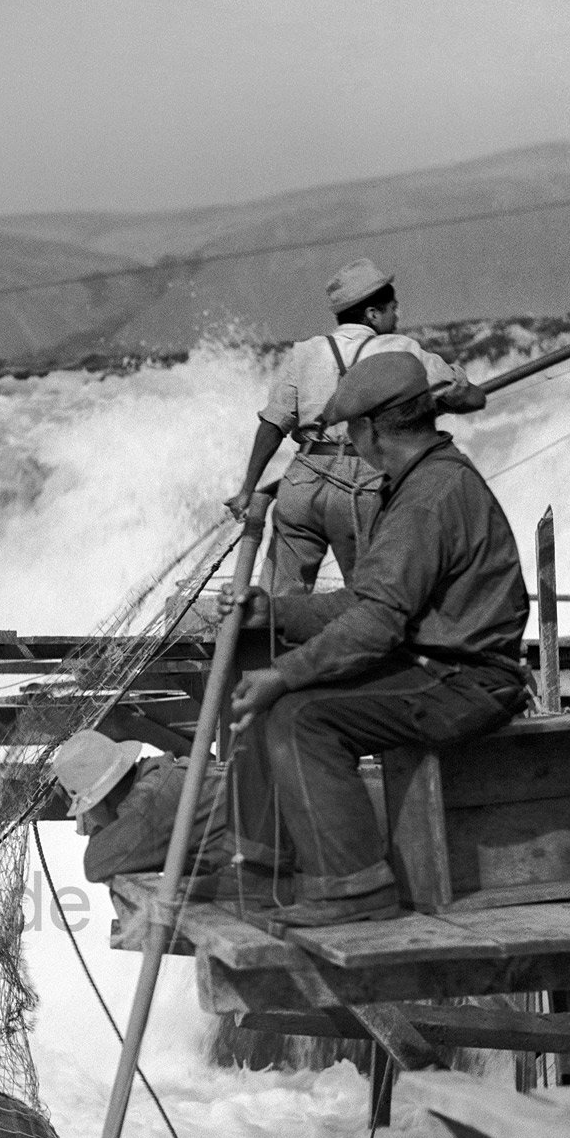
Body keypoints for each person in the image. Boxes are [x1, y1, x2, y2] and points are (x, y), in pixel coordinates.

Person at [201, 351, 530, 929]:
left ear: (372, 431)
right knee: (278, 707)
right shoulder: (422, 482)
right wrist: (273, 612)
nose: (352, 443)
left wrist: (285, 672)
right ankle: (263, 875)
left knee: (301, 719)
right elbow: (367, 601)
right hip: (436, 665)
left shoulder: (427, 497)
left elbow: (376, 623)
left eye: (353, 431)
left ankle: (353, 891)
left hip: (468, 679)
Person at [228, 258, 487, 595]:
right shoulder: (401, 349)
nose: (398, 316)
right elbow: (467, 398)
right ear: (372, 315)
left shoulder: (306, 352)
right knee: (370, 599)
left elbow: (272, 425)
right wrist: (452, 399)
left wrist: (247, 489)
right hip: (362, 484)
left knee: (278, 603)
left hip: (303, 476)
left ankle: (271, 644)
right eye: (393, 309)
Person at [51, 729, 232, 883]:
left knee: (127, 888)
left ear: (100, 803)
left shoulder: (146, 805)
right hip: (250, 839)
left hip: (254, 863)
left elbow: (95, 865)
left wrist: (103, 829)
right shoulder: (160, 775)